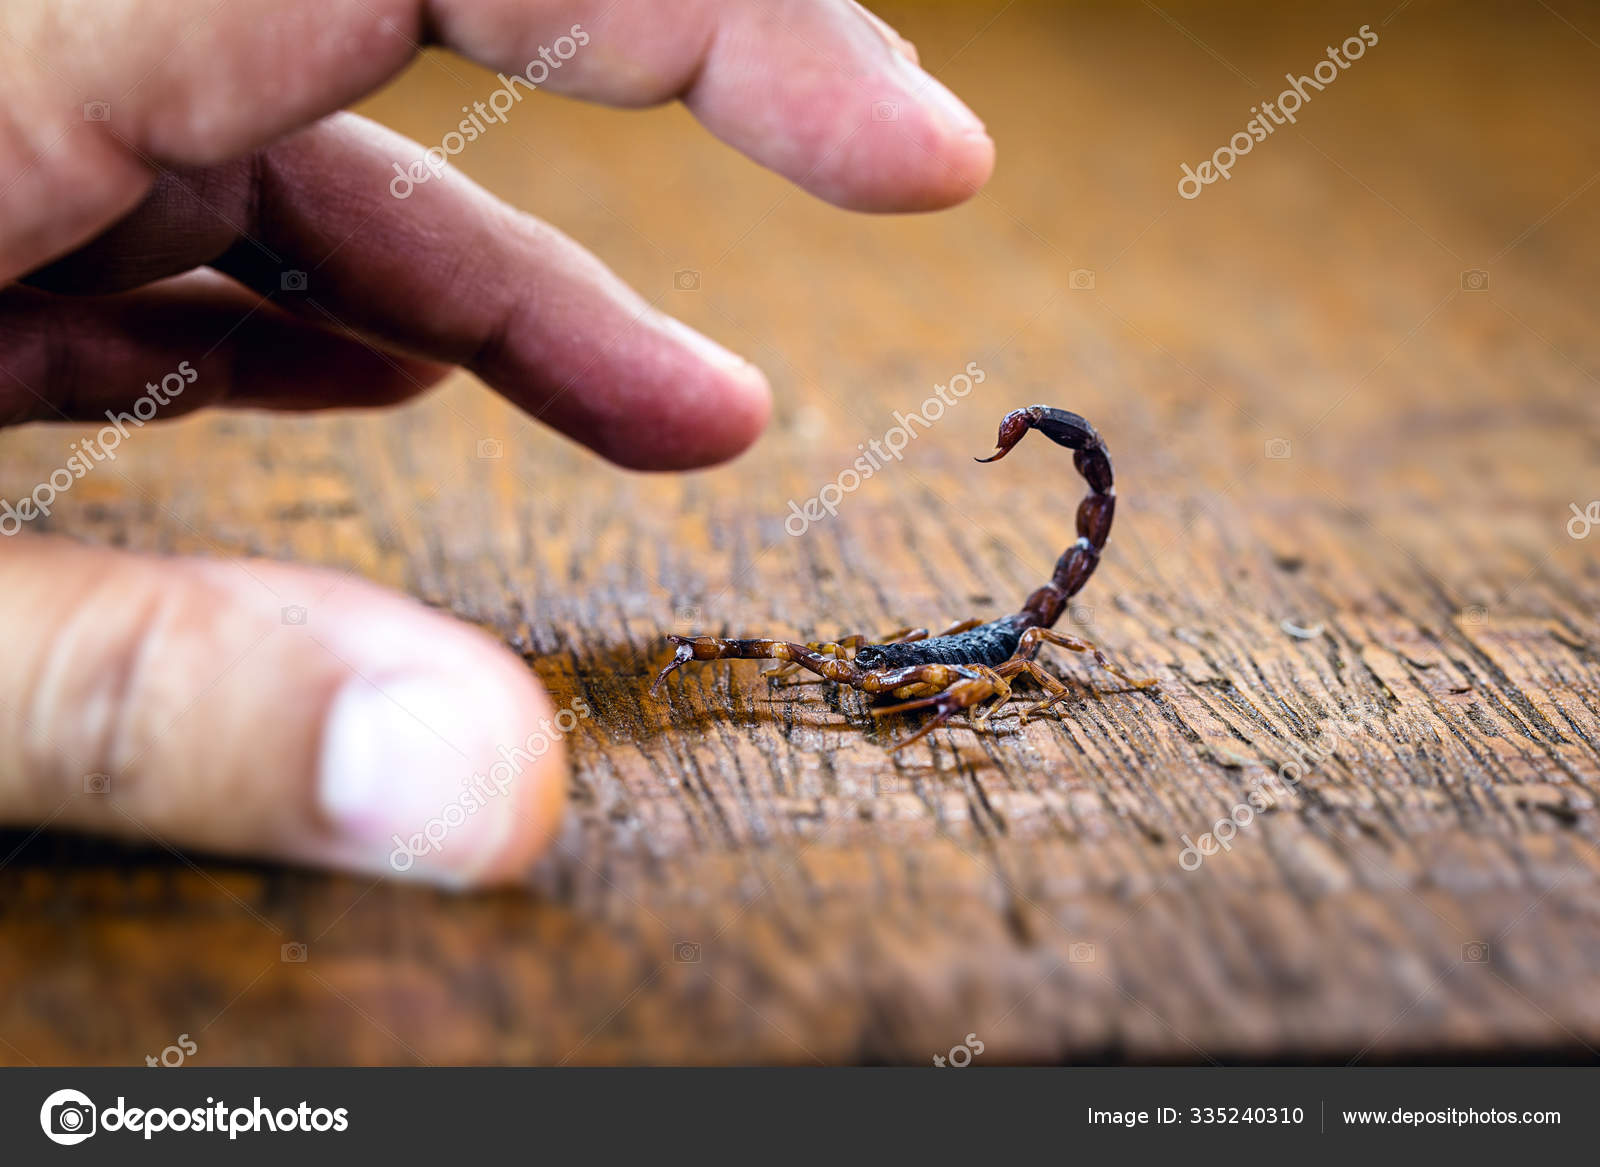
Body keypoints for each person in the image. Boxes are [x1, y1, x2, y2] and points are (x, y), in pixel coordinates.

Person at [0, 0, 992, 886]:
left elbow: (981, 667)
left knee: (967, 663)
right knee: (848, 658)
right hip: (942, 649)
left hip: (988, 646)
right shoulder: (872, 666)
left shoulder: (991, 662)